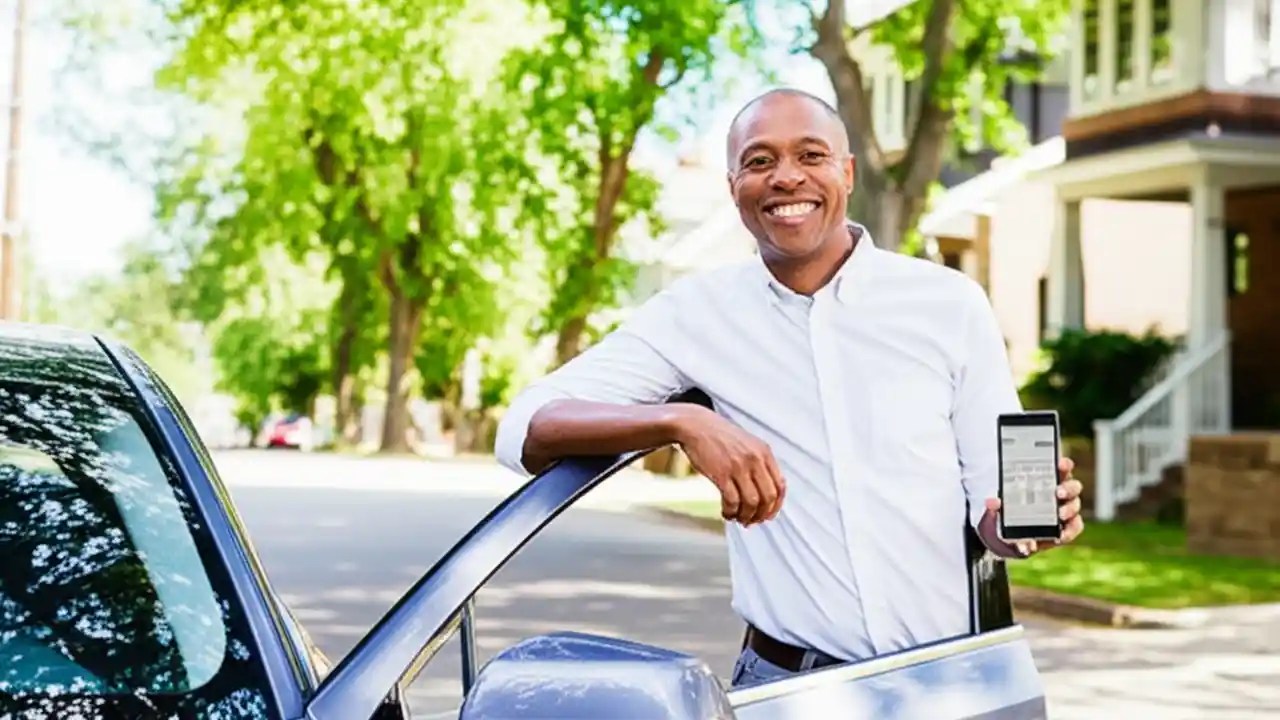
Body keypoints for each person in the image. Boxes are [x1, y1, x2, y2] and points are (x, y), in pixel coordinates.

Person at [494, 87, 1084, 688]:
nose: (786, 178)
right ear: (733, 188)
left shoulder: (948, 305)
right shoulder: (696, 315)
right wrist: (683, 423)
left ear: (847, 173)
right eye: (759, 161)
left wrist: (1025, 526)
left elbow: (994, 517)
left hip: (952, 684)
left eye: (811, 155)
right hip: (790, 691)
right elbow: (524, 429)